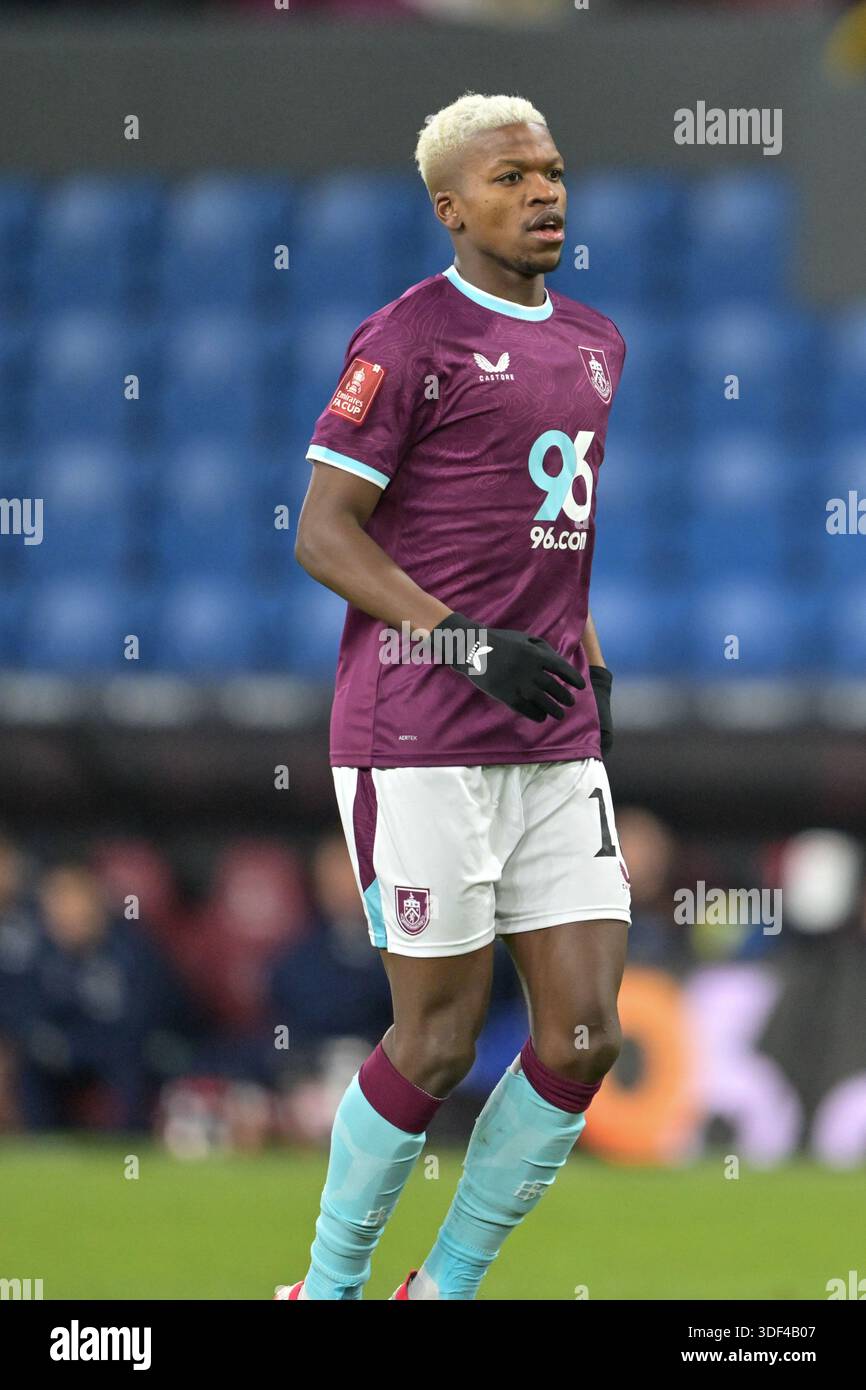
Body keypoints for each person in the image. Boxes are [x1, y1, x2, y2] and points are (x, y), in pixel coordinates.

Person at [280, 90, 631, 1301]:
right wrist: (460, 641)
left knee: (584, 1035)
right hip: (418, 725)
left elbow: (549, 529)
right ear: (449, 208)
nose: (543, 191)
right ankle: (324, 1290)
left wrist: (582, 650)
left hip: (548, 728)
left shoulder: (595, 341)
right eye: (510, 177)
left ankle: (447, 1287)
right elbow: (323, 534)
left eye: (551, 169)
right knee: (432, 1041)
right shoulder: (407, 337)